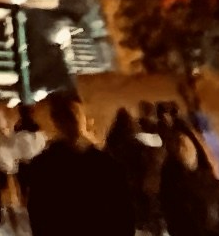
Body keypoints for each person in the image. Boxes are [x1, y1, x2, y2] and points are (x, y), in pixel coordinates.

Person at [22, 92, 139, 236]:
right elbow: (124, 215)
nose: (74, 120)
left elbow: (39, 217)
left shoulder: (43, 166)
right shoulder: (105, 164)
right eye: (71, 115)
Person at [157, 117, 219, 236]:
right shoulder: (170, 179)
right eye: (177, 144)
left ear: (194, 144)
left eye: (184, 143)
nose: (182, 148)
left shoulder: (210, 179)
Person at [0, 99, 35, 229]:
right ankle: (9, 222)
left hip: (4, 169)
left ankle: (8, 222)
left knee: (4, 197)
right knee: (4, 197)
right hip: (3, 170)